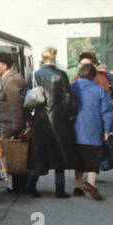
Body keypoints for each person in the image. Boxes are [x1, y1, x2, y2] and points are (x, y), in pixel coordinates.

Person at [23, 46, 79, 197]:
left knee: (39, 153)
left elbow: (27, 98)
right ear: (54, 57)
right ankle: (59, 189)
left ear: (42, 57)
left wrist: (29, 119)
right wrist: (65, 115)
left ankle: (31, 184)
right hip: (57, 118)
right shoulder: (61, 74)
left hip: (40, 118)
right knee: (59, 153)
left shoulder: (34, 74)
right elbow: (67, 99)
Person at [70, 62, 113, 199]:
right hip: (94, 130)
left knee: (78, 159)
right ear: (93, 75)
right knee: (93, 158)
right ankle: (90, 183)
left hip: (75, 130)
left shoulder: (72, 88)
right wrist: (107, 130)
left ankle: (78, 186)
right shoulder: (99, 90)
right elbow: (106, 112)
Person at [0, 52, 26, 192]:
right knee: (15, 154)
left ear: (5, 66)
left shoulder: (10, 80)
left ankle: (19, 185)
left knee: (14, 154)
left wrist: (16, 127)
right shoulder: (11, 77)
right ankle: (19, 184)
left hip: (10, 123)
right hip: (9, 122)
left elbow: (15, 104)